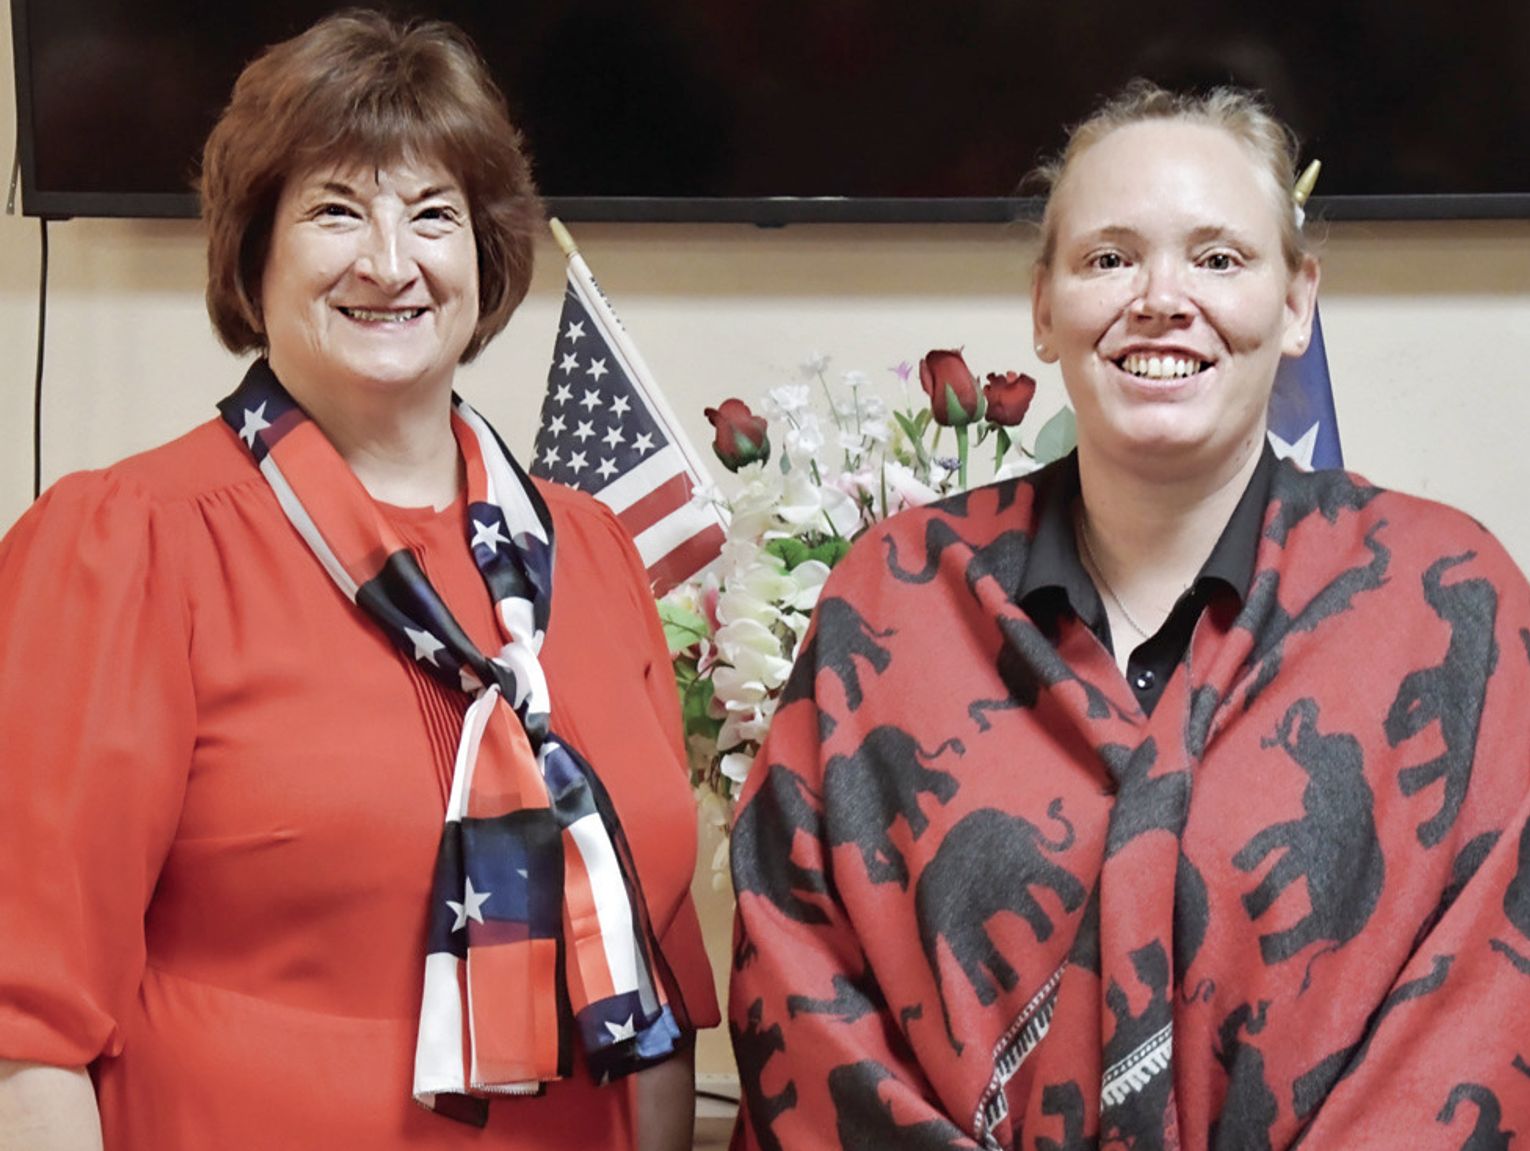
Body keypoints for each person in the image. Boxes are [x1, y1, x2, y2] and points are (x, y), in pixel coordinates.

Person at [728, 80, 1530, 1149]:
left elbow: (1492, 991)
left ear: (1296, 304)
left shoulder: (1446, 600)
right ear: (1043, 308)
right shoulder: (897, 595)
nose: (1161, 296)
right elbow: (795, 973)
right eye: (1109, 258)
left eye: (1219, 258)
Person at [0, 11, 717, 1150]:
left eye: (432, 215)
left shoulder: (588, 549)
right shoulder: (130, 543)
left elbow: (660, 973)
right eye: (336, 210)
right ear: (254, 252)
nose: (390, 262)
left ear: (486, 259)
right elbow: (22, 1026)